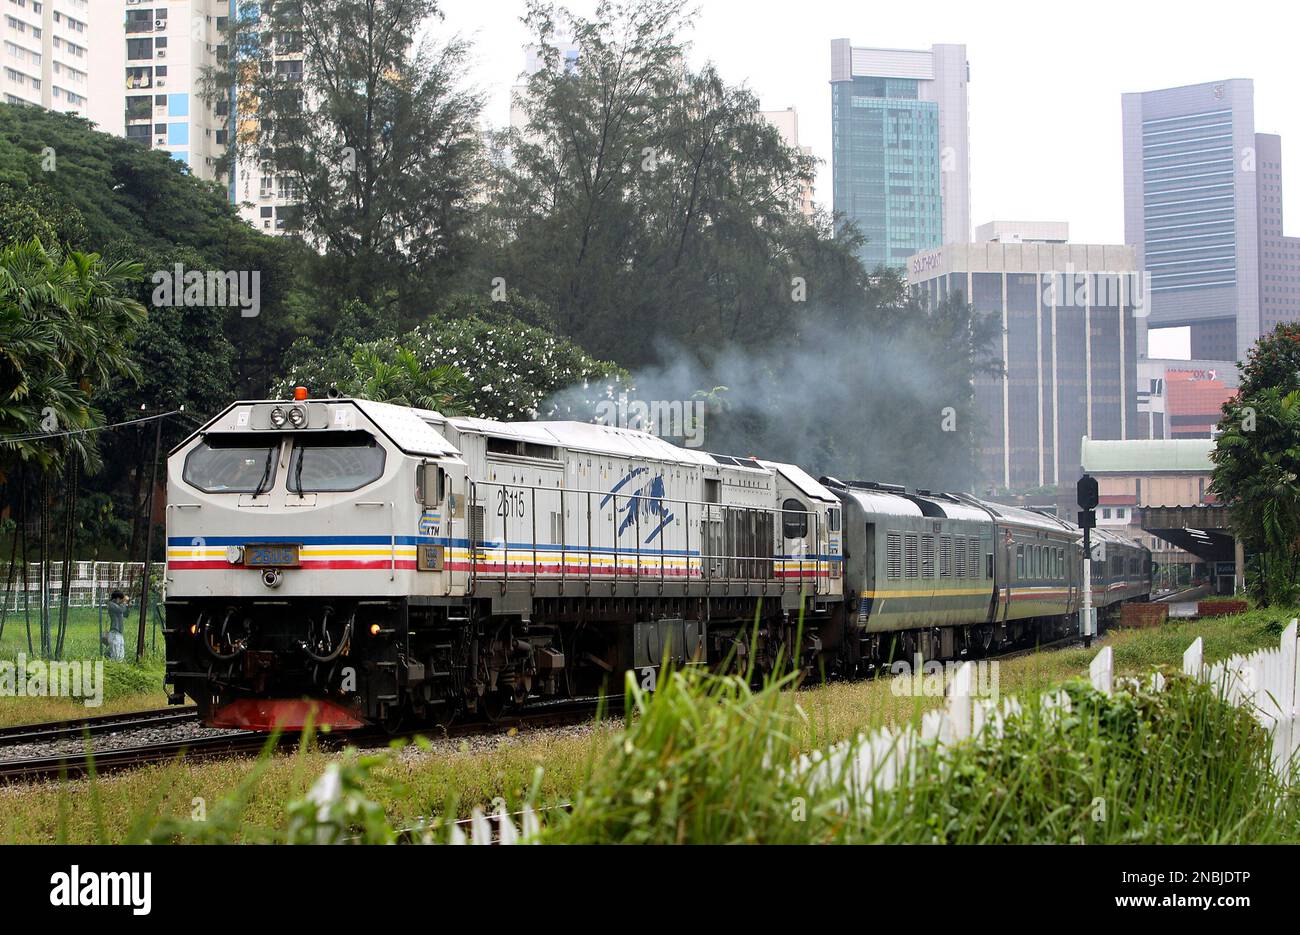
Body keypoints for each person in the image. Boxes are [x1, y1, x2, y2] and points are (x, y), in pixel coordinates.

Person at [105, 590, 128, 661]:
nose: (120, 601)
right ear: (117, 598)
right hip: (114, 632)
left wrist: (124, 603)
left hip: (119, 633)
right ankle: (113, 668)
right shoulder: (111, 604)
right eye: (120, 599)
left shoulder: (117, 605)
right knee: (115, 655)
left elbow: (126, 614)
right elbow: (121, 610)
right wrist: (124, 602)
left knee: (121, 655)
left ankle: (118, 668)